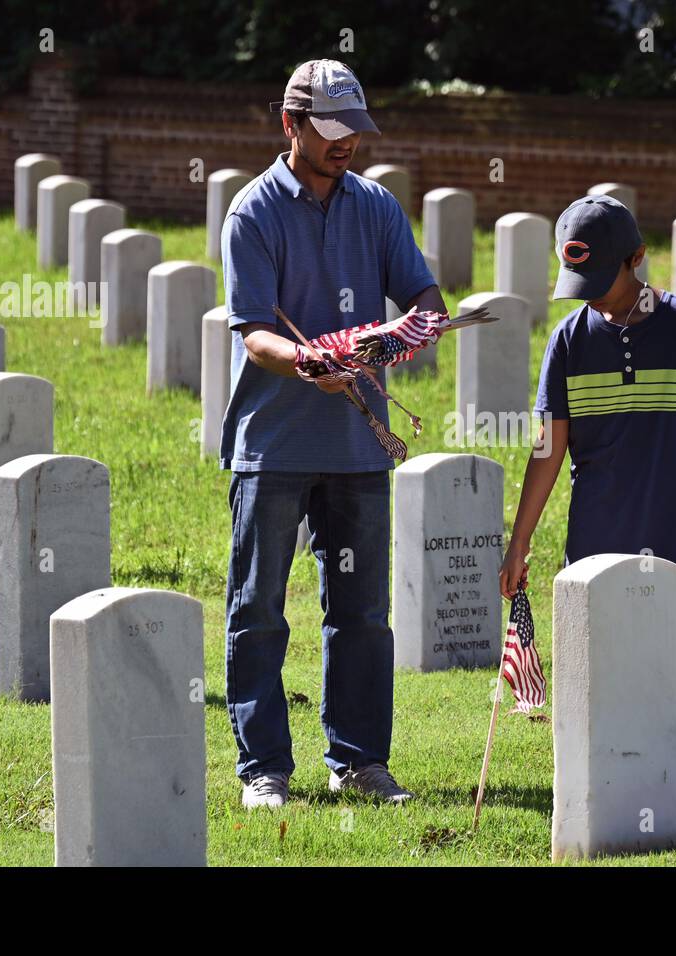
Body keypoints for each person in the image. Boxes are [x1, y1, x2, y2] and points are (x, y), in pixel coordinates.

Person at [219, 59, 447, 809]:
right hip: (274, 446)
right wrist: (308, 359)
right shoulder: (252, 213)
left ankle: (359, 762)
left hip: (357, 449)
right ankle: (263, 771)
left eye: (357, 128)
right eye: (330, 129)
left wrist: (413, 329)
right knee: (258, 609)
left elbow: (423, 294)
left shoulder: (377, 206)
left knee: (361, 613)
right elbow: (254, 332)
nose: (348, 142)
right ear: (291, 125)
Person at [497, 194, 676, 840]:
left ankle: (663, 804)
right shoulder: (568, 340)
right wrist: (519, 541)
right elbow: (546, 447)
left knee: (659, 682)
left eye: (601, 281)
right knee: (602, 683)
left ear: (638, 259)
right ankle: (603, 801)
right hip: (595, 550)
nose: (592, 298)